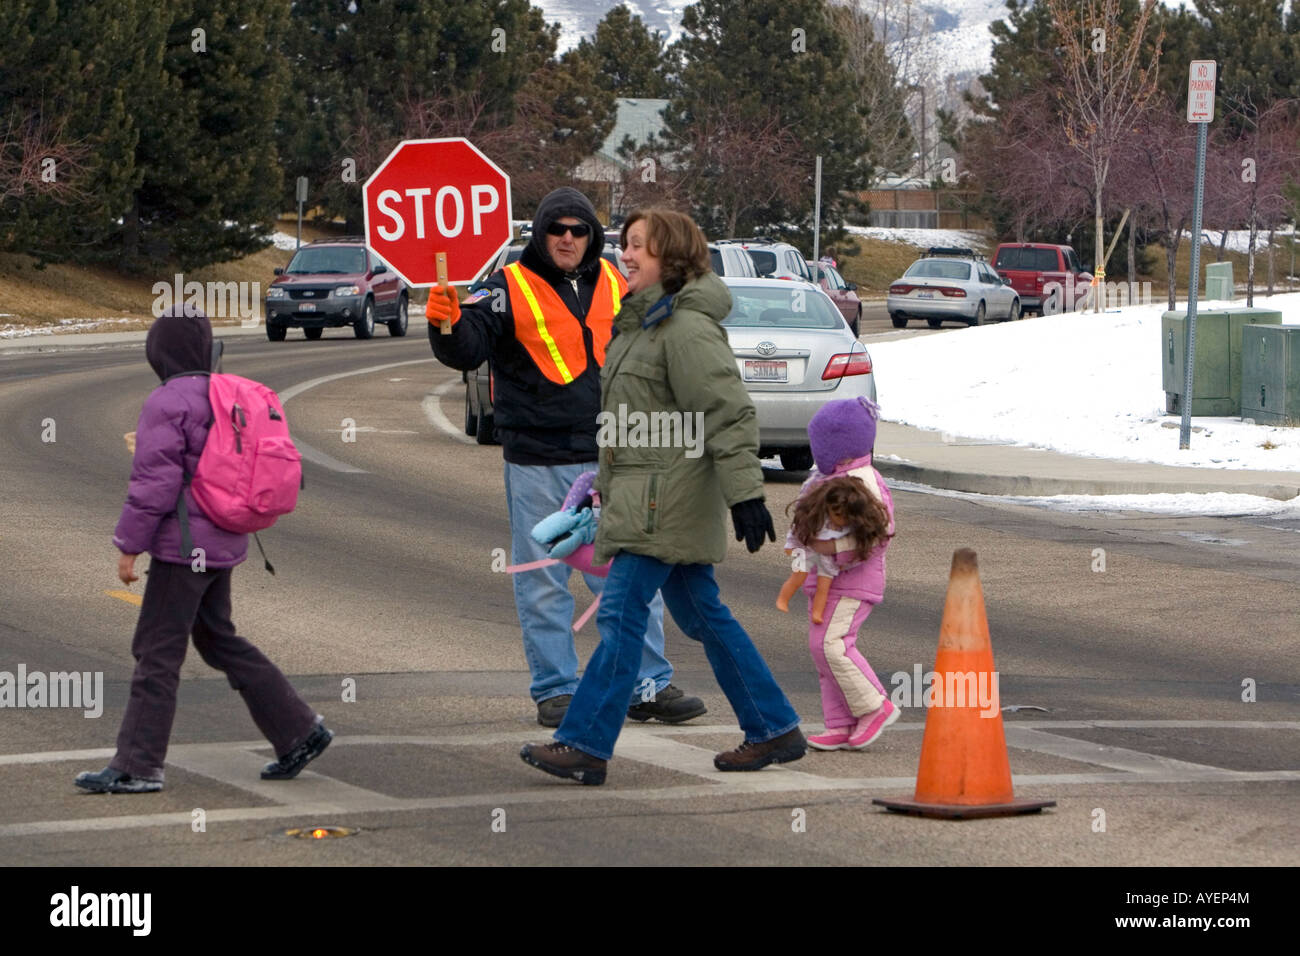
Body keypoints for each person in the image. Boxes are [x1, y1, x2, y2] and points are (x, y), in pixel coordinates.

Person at [519, 206, 805, 786]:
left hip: (664, 504)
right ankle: (773, 726)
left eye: (639, 247)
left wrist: (746, 493)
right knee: (705, 618)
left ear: (671, 256)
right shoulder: (643, 322)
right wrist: (602, 485)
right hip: (644, 497)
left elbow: (726, 409)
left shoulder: (688, 328)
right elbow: (632, 421)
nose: (625, 255)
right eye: (625, 244)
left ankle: (584, 743)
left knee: (622, 617)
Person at [426, 187, 705, 728]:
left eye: (579, 230)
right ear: (541, 234)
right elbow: (468, 345)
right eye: (558, 229)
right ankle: (556, 689)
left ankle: (646, 686)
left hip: (614, 455)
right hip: (537, 459)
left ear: (592, 235)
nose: (569, 238)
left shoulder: (617, 281)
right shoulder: (508, 286)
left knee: (629, 578)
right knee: (543, 578)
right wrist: (447, 323)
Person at [76, 305, 331, 793]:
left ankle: (137, 764)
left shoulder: (166, 401)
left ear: (160, 352)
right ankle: (300, 730)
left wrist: (129, 546)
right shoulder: (224, 393)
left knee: (156, 651)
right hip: (225, 539)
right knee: (217, 639)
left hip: (182, 548)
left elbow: (155, 483)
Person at [783, 397, 899, 752]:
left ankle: (875, 705)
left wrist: (837, 552)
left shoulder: (863, 481)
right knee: (822, 649)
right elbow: (805, 526)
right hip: (821, 582)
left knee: (834, 646)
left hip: (854, 582)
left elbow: (881, 532)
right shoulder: (823, 479)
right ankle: (840, 722)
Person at [776, 475, 890, 624]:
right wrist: (791, 546)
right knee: (797, 577)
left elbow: (852, 546)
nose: (841, 520)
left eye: (845, 516)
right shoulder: (817, 517)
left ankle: (817, 613)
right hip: (808, 551)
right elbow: (797, 530)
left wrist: (845, 561)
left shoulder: (850, 523)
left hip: (829, 558)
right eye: (837, 515)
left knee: (824, 586)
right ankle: (783, 599)